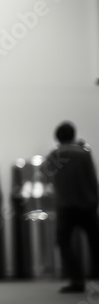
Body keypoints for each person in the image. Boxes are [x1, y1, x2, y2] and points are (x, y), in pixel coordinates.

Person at [45, 121, 99, 293]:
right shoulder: (84, 153)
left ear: (57, 138)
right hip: (87, 205)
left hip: (66, 207)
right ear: (73, 135)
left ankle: (77, 280)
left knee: (64, 242)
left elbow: (46, 176)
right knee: (95, 242)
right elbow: (92, 179)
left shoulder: (55, 155)